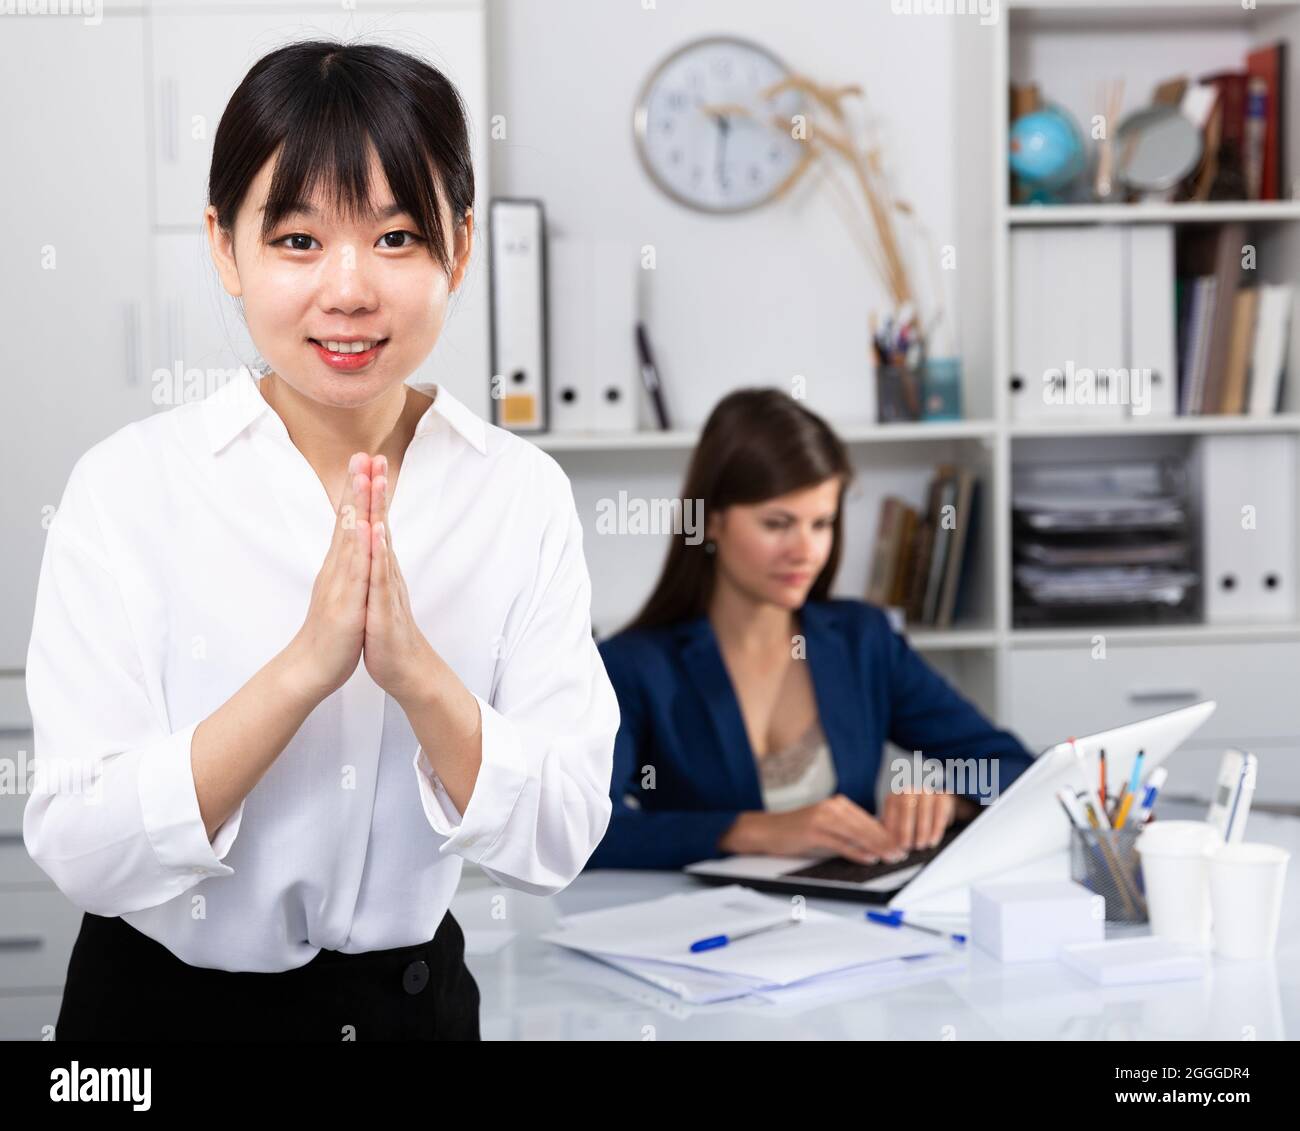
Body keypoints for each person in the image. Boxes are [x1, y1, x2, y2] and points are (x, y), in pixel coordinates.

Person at [23, 40, 618, 1041]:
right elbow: (82, 843)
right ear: (226, 248)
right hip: (164, 1018)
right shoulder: (129, 487)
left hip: (412, 1012)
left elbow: (558, 836)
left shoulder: (517, 496)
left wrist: (419, 677)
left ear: (459, 249)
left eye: (395, 239)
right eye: (297, 241)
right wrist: (303, 670)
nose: (347, 290)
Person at [587, 388, 1034, 871]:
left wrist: (952, 801)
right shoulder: (634, 665)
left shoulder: (862, 640)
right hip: (695, 933)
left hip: (850, 927)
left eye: (821, 523)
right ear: (711, 522)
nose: (806, 551)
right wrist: (748, 830)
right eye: (778, 524)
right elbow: (585, 831)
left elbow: (1015, 768)